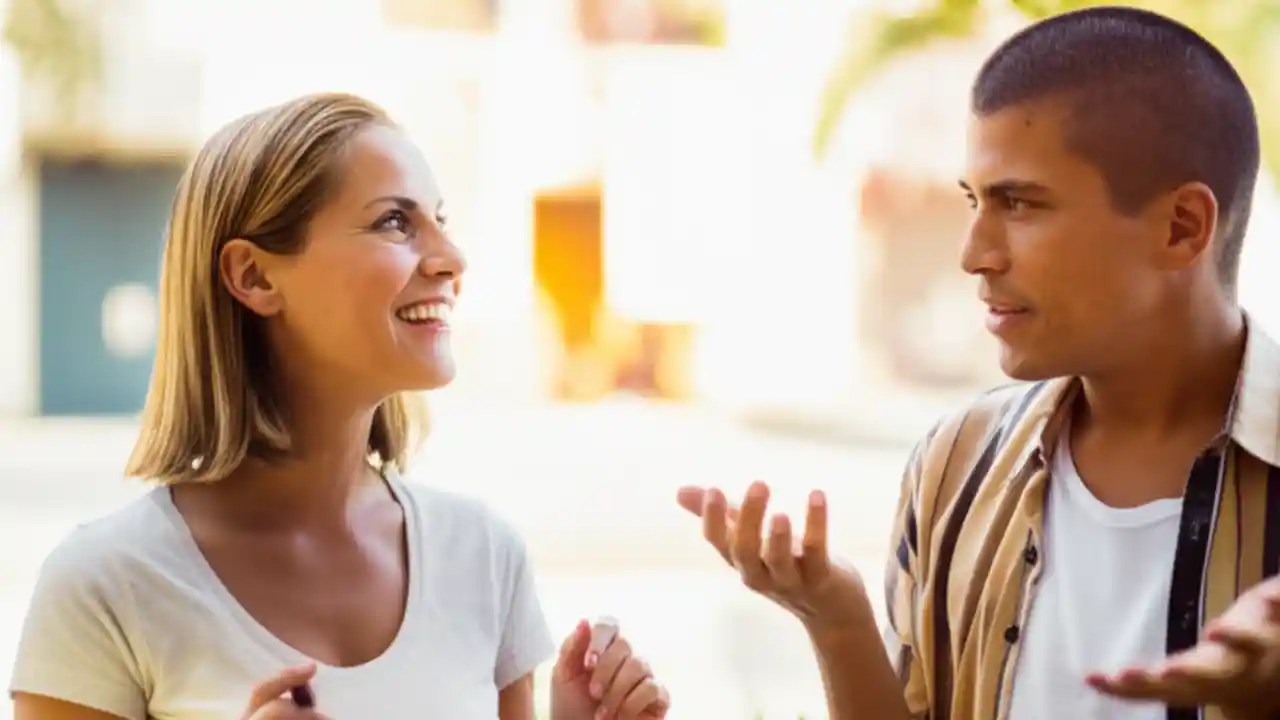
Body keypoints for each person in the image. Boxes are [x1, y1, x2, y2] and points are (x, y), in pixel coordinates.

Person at [679, 7, 1279, 720]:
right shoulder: (957, 463)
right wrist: (837, 622)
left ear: (1181, 228)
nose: (974, 254)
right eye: (973, 200)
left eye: (1019, 204)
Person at [9, 93, 670, 720]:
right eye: (393, 221)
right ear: (254, 277)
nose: (451, 258)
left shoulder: (485, 555)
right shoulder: (105, 585)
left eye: (438, 221)